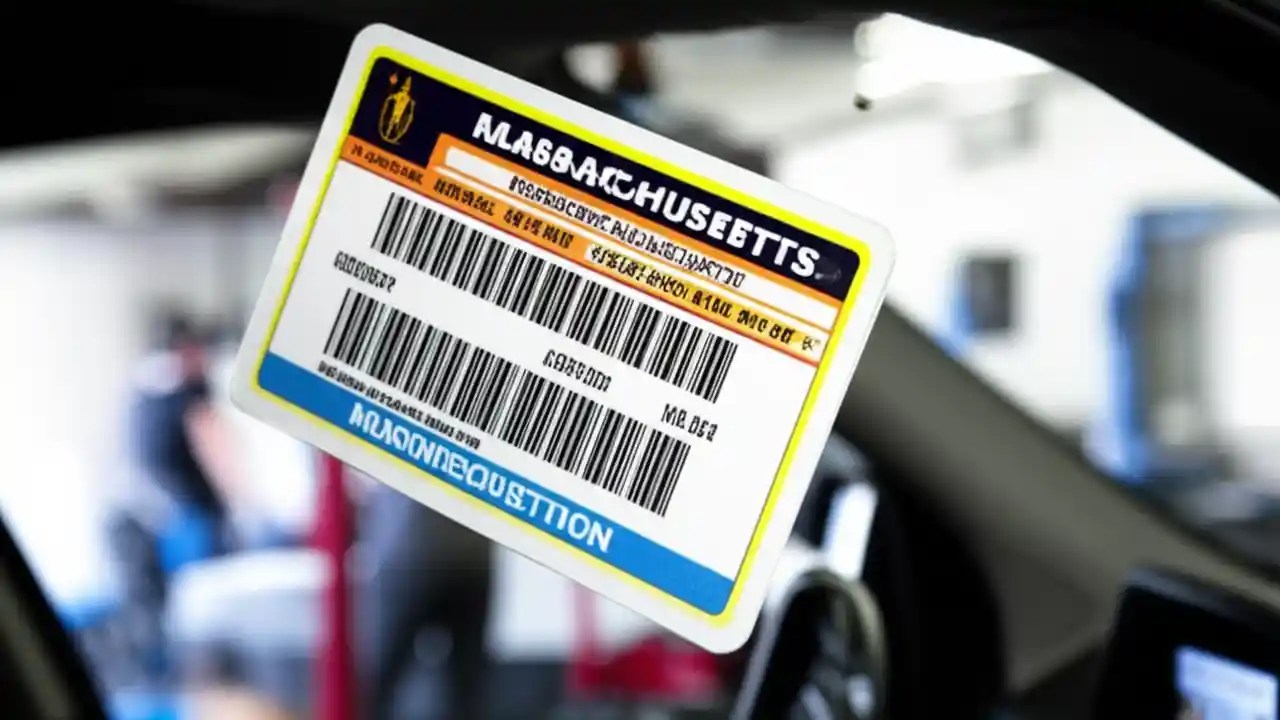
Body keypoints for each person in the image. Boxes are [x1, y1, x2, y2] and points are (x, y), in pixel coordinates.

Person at [107, 309, 244, 687]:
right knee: (197, 611)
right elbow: (217, 450)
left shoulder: (148, 387)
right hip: (175, 516)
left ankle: (189, 677)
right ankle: (202, 682)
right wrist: (241, 501)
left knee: (177, 611)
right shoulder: (178, 388)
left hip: (166, 513)